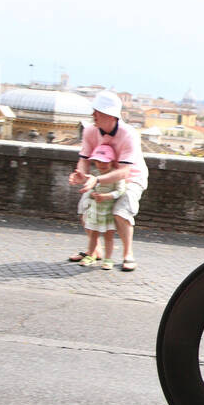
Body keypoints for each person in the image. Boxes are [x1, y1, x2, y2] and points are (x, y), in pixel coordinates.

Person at [68, 90, 148, 272]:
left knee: (121, 210)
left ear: (110, 115)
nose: (93, 116)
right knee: (85, 208)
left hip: (131, 177)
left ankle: (128, 254)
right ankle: (95, 250)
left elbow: (124, 171)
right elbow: (84, 159)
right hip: (101, 177)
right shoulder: (90, 131)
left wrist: (95, 179)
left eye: (98, 112)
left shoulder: (129, 134)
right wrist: (81, 174)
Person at [69, 144, 128, 269]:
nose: (102, 165)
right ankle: (91, 255)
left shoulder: (115, 175)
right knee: (93, 234)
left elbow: (120, 191)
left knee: (108, 236)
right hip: (96, 210)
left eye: (105, 162)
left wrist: (106, 196)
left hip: (107, 211)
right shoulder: (94, 174)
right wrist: (92, 194)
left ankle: (108, 259)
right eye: (98, 162)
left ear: (112, 162)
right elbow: (91, 189)